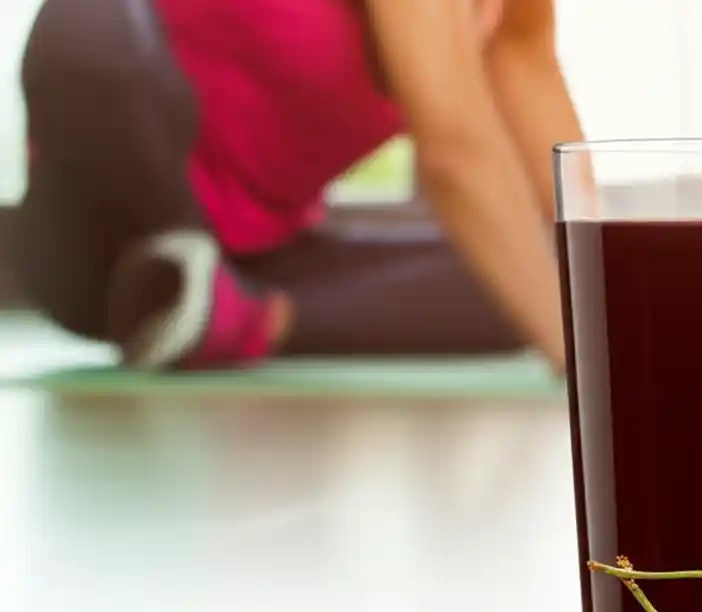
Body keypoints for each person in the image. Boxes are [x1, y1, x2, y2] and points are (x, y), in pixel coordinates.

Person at [8, 0, 578, 372]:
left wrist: (608, 291)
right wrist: (590, 362)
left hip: (249, 261)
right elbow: (456, 153)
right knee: (87, 23)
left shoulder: (511, 15)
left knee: (518, 277)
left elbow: (529, 72)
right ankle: (186, 283)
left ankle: (238, 315)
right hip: (103, 237)